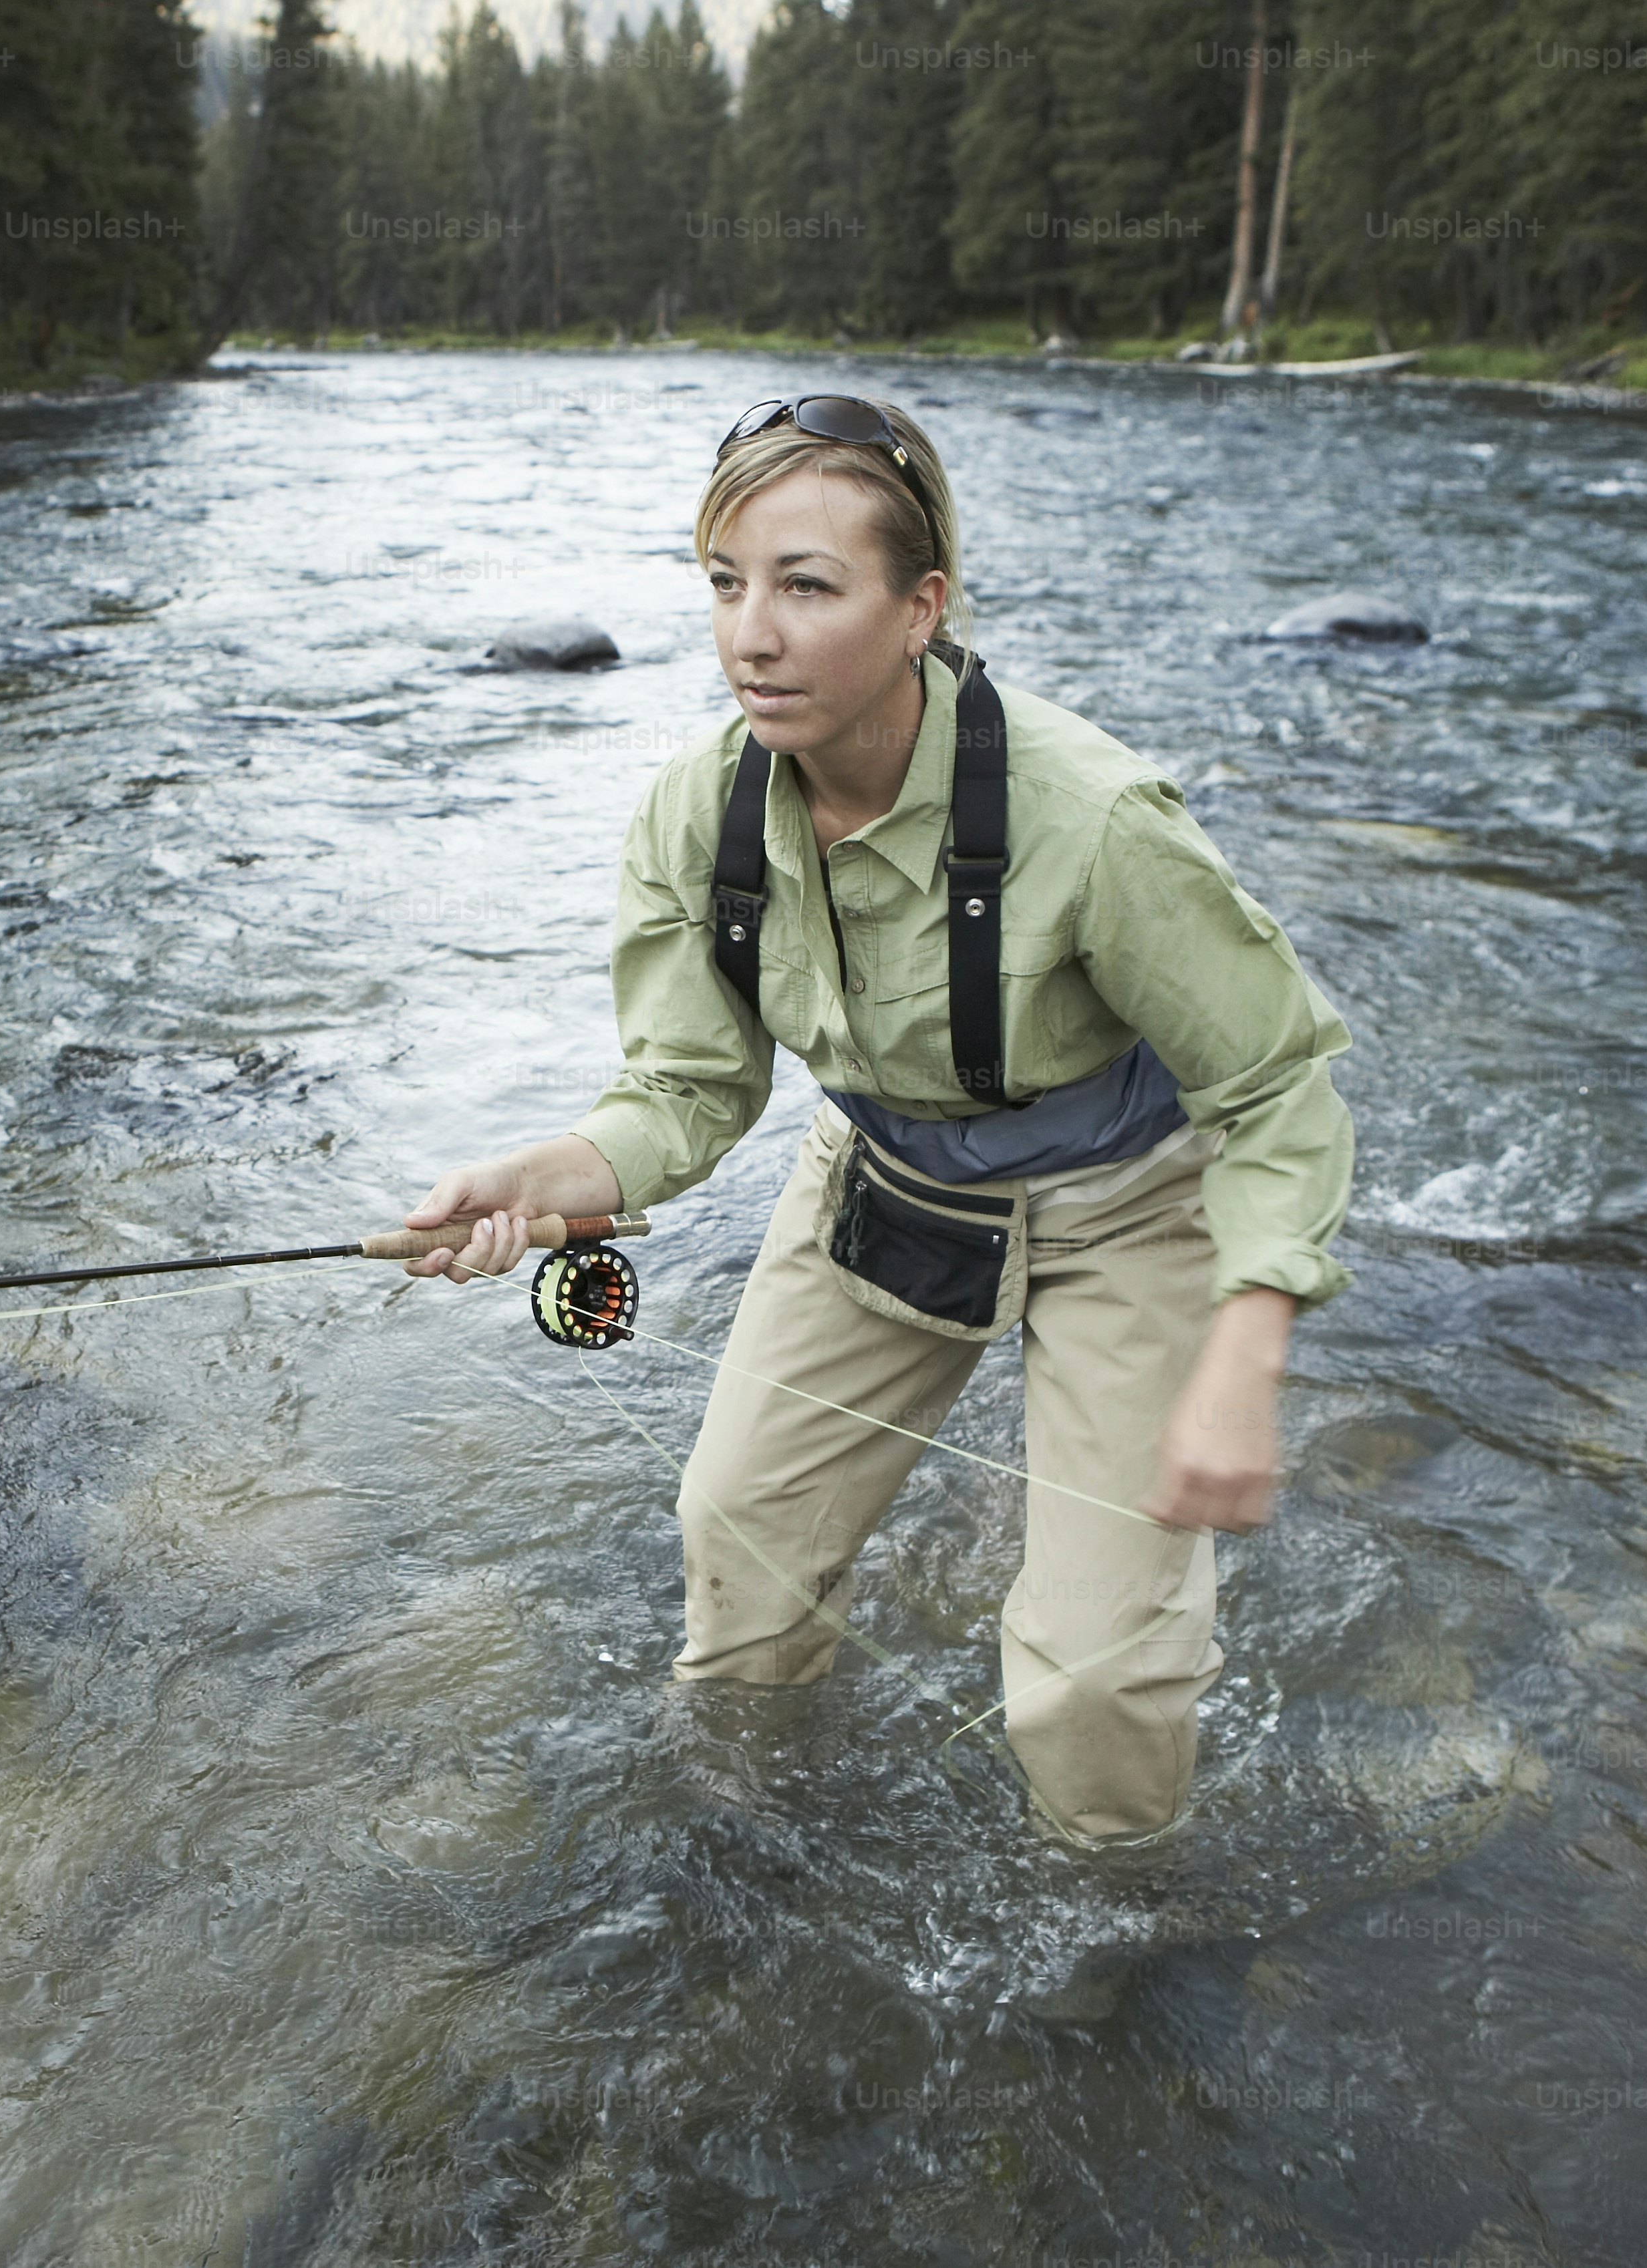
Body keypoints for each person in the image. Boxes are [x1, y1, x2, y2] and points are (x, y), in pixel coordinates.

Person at [401, 394, 1356, 1850]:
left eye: (803, 586)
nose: (748, 635)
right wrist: (551, 1172)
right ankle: (755, 1841)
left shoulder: (1094, 821)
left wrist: (1246, 1343)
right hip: (882, 1177)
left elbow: (1276, 1084)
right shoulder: (689, 817)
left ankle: (1115, 1924)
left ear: (920, 610)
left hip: (1129, 1202)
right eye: (724, 584)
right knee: (734, 1540)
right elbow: (686, 1093)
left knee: (1086, 1690)